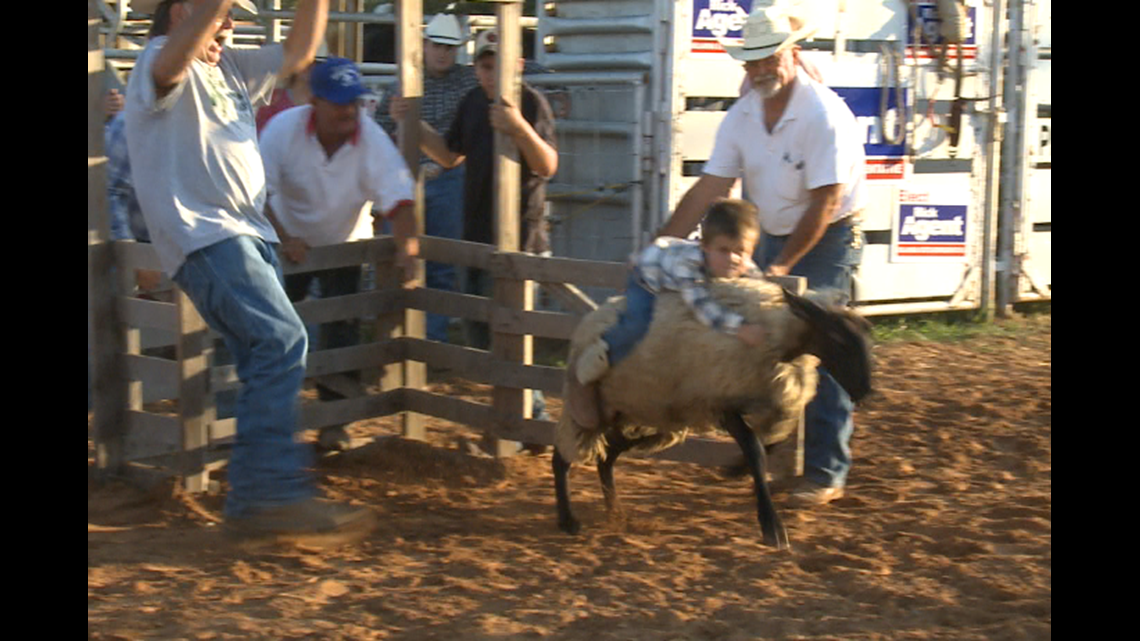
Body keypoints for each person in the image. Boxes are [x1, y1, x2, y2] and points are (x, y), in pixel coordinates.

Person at [123, 0, 378, 546]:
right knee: (281, 342)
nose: (233, 23)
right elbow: (173, 63)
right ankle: (266, 494)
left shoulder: (228, 68)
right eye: (223, 13)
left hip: (243, 234)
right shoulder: (156, 65)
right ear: (184, 11)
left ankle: (255, 493)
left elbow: (299, 51)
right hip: (208, 234)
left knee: (265, 354)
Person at [657, 0, 867, 507]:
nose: (759, 68)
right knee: (766, 344)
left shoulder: (822, 114)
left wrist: (781, 267)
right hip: (773, 228)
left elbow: (827, 200)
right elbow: (710, 187)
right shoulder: (744, 114)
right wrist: (662, 245)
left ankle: (825, 470)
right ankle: (772, 453)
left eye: (768, 57)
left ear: (791, 53)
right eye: (751, 60)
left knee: (824, 342)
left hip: (830, 234)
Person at [392, 27, 559, 439]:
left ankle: (527, 418)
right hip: (478, 232)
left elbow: (548, 165)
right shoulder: (471, 103)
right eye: (484, 67)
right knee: (484, 332)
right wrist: (412, 120)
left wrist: (519, 127)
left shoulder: (531, 104)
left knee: (513, 332)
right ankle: (523, 417)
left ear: (517, 67)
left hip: (522, 235)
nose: (489, 75)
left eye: (496, 66)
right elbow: (449, 155)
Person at [259, 57, 417, 452]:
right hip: (287, 242)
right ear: (315, 101)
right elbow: (255, 192)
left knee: (341, 330)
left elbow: (399, 197)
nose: (348, 110)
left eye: (353, 100)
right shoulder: (283, 130)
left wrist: (407, 250)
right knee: (274, 326)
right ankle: (271, 417)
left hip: (344, 242)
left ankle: (335, 422)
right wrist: (283, 237)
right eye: (338, 101)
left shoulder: (371, 138)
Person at [570, 199, 768, 423]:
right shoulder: (688, 267)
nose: (733, 258)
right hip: (648, 276)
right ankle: (592, 366)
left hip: (675, 269)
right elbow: (703, 308)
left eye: (741, 251)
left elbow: (758, 285)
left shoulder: (742, 263)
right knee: (637, 325)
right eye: (723, 250)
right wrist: (741, 329)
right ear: (706, 247)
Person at [375, 13, 479, 343]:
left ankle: (431, 339)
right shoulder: (403, 84)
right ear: (425, 44)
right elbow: (379, 135)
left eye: (449, 47)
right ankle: (402, 336)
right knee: (401, 258)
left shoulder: (467, 82)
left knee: (439, 263)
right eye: (438, 45)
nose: (443, 53)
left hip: (447, 178)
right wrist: (394, 122)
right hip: (411, 178)